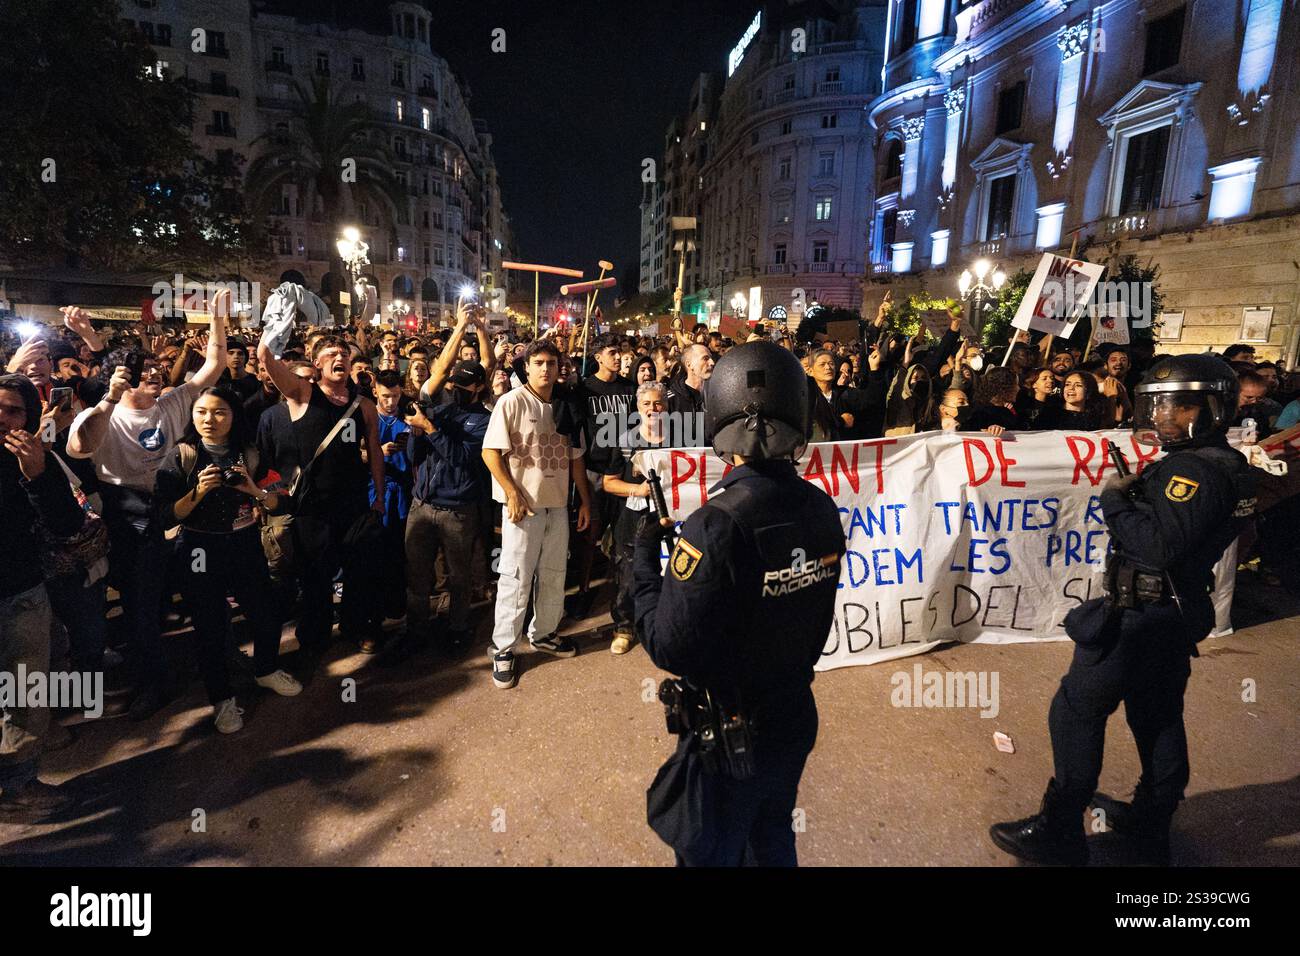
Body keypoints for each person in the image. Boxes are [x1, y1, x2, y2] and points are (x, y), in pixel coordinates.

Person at [990, 354, 1257, 865]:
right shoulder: (1219, 463)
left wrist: (1116, 501)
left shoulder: (1194, 470)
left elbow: (1158, 546)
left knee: (1075, 710)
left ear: (1211, 408)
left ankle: (1059, 829)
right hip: (1171, 612)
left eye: (1176, 406)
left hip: (1141, 616)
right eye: (1156, 405)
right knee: (1156, 716)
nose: (1160, 415)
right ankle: (1150, 826)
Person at [633, 341, 845, 866]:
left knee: (715, 852)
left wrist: (641, 563)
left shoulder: (716, 522)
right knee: (773, 841)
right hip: (792, 715)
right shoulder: (821, 508)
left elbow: (668, 644)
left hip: (732, 738)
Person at [67, 293, 230, 719]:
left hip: (178, 502)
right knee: (141, 605)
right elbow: (81, 447)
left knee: (197, 586)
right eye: (144, 372)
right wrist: (106, 398)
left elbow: (213, 366)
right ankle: (154, 682)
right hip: (128, 513)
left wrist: (216, 320)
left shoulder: (173, 402)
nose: (155, 375)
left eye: (156, 369)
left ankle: (215, 663)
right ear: (121, 380)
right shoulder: (104, 414)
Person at [153, 387, 302, 733]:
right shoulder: (182, 456)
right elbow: (164, 517)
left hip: (245, 544)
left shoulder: (249, 453)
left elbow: (282, 501)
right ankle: (221, 699)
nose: (209, 420)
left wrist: (255, 492)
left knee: (265, 613)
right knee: (209, 626)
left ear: (234, 416)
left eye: (219, 412)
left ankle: (265, 670)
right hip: (200, 549)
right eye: (202, 412)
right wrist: (199, 492)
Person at [255, 330, 387, 660]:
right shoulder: (303, 393)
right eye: (330, 355)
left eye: (343, 355)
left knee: (359, 570)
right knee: (315, 576)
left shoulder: (363, 405)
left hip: (354, 503)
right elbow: (268, 362)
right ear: (316, 364)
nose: (339, 358)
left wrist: (379, 496)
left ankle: (356, 626)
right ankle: (314, 636)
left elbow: (374, 452)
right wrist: (270, 337)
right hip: (311, 507)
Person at [481, 339, 592, 689]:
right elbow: (490, 453)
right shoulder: (511, 402)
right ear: (526, 367)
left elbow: (575, 457)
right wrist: (511, 492)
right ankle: (503, 648)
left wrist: (584, 501)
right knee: (516, 578)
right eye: (539, 362)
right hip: (523, 507)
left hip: (557, 503)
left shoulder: (566, 405)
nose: (546, 369)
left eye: (552, 363)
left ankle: (544, 633)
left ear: (561, 367)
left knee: (554, 574)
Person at [0, 374, 85, 820]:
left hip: (20, 593)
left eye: (12, 410)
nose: (2, 417)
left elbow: (68, 524)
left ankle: (16, 786)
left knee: (25, 692)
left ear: (29, 418)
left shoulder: (36, 458)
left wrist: (36, 477)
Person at [401, 358, 491, 653]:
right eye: (454, 384)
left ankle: (458, 627)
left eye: (464, 386)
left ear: (479, 387)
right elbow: (416, 455)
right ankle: (415, 629)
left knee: (459, 576)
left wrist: (428, 427)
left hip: (457, 510)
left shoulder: (485, 421)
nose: (456, 390)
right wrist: (417, 432)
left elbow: (461, 459)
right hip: (422, 504)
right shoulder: (443, 409)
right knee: (417, 574)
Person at [602, 381, 672, 655]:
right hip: (634, 522)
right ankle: (624, 627)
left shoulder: (682, 438)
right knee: (628, 577)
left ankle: (666, 624)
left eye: (658, 403)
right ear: (637, 407)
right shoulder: (624, 441)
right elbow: (609, 482)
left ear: (666, 406)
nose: (653, 409)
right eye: (646, 404)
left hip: (671, 521)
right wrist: (638, 489)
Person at [1036, 370, 1108, 430]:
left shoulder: (1095, 419)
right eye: (1067, 384)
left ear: (1088, 391)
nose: (1071, 388)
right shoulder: (1049, 415)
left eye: (1078, 385)